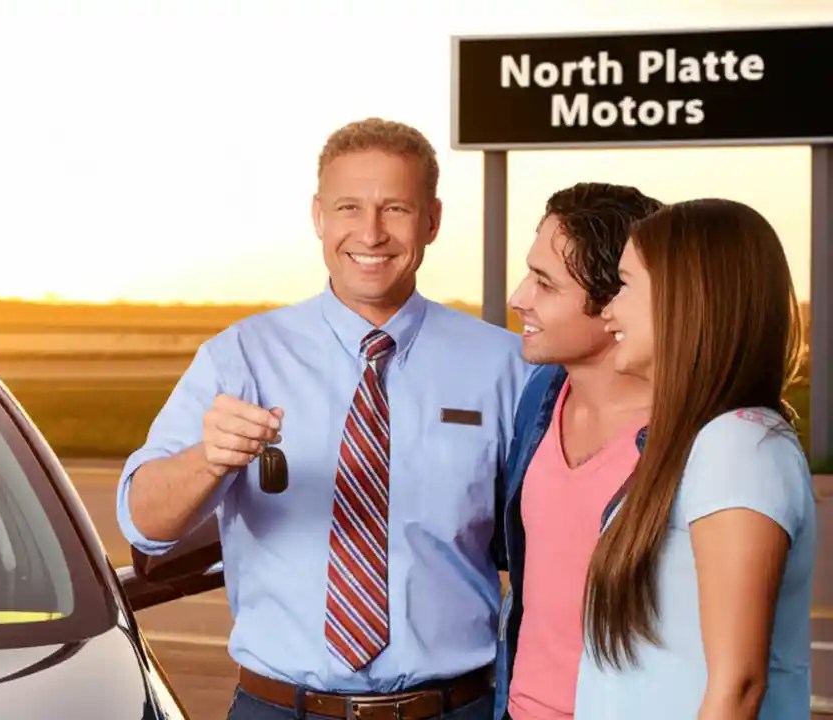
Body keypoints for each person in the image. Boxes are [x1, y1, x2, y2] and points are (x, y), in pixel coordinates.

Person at [116, 117, 531, 719]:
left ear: (433, 221)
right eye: (348, 207)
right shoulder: (241, 357)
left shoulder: (505, 366)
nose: (371, 232)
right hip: (279, 708)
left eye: (395, 209)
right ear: (318, 217)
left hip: (456, 708)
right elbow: (143, 524)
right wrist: (208, 461)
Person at [573, 198, 816, 719]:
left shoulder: (740, 446)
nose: (608, 309)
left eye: (625, 285)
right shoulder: (696, 444)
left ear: (684, 299)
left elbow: (738, 687)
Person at [491, 182, 663, 720]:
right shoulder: (540, 396)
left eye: (545, 284)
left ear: (618, 300)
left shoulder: (689, 435)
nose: (519, 297)